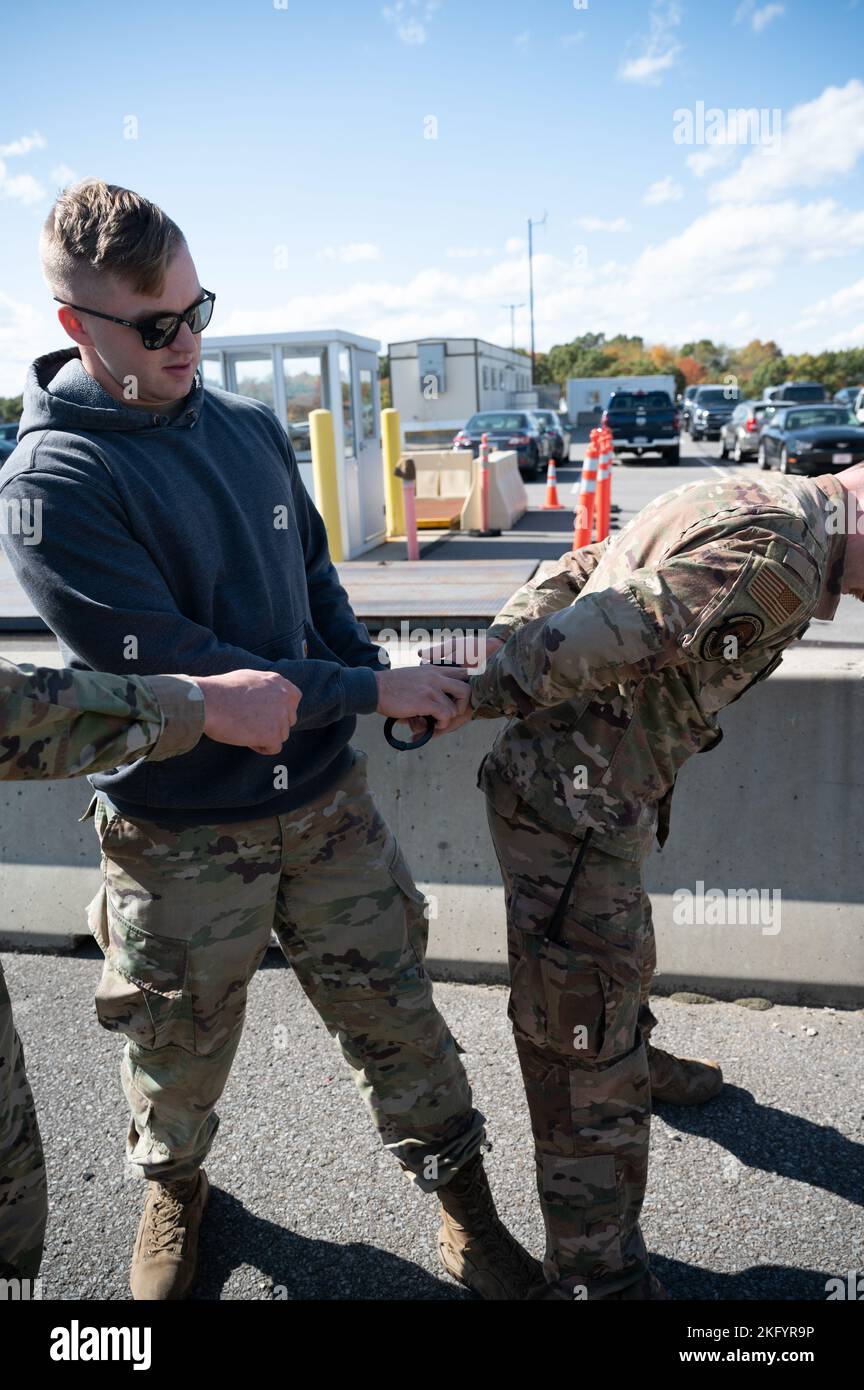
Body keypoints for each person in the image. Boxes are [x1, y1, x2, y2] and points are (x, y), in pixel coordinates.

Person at [0, 179, 539, 1302]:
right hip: (182, 832)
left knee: (399, 1019)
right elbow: (194, 675)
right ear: (75, 329)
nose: (189, 340)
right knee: (174, 1049)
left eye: (199, 310)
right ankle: (177, 1193)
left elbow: (314, 591)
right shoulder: (53, 486)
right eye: (156, 327)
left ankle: (466, 1211)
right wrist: (366, 679)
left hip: (327, 805)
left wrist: (373, 679)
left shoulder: (247, 428)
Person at [440, 465, 860, 1299]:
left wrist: (495, 642)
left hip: (593, 797)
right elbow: (600, 632)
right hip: (572, 813)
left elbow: (585, 563)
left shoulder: (753, 493)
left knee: (610, 966)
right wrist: (464, 685)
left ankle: (631, 1049)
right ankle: (596, 1272)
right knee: (578, 1043)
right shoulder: (783, 550)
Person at [0, 657, 302, 1285]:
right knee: (168, 1020)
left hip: (304, 782)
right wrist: (200, 703)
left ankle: (462, 1198)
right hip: (162, 804)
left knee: (8, 1214)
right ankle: (174, 1183)